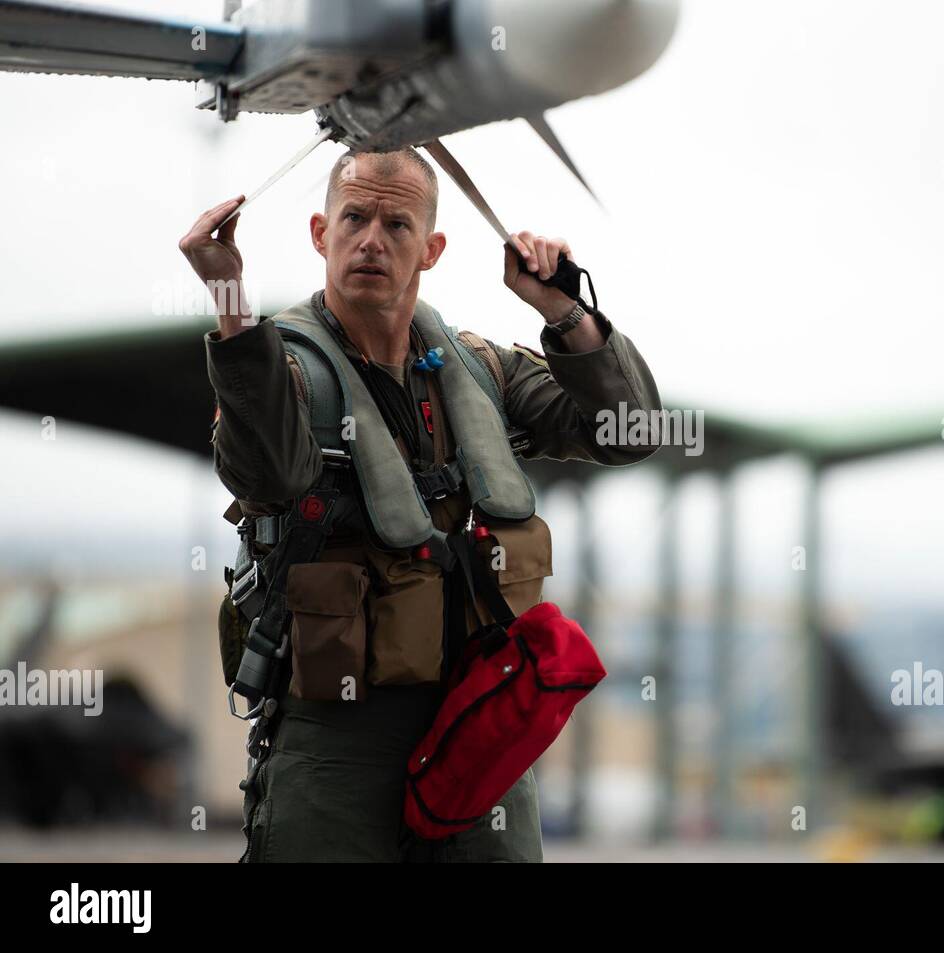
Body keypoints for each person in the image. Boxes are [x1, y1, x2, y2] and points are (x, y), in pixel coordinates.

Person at [178, 146, 662, 862]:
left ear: (431, 249)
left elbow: (632, 430)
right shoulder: (283, 371)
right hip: (336, 739)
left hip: (477, 728)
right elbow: (268, 475)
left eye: (397, 224)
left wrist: (564, 309)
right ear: (322, 234)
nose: (372, 238)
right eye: (355, 217)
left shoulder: (479, 370)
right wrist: (229, 301)